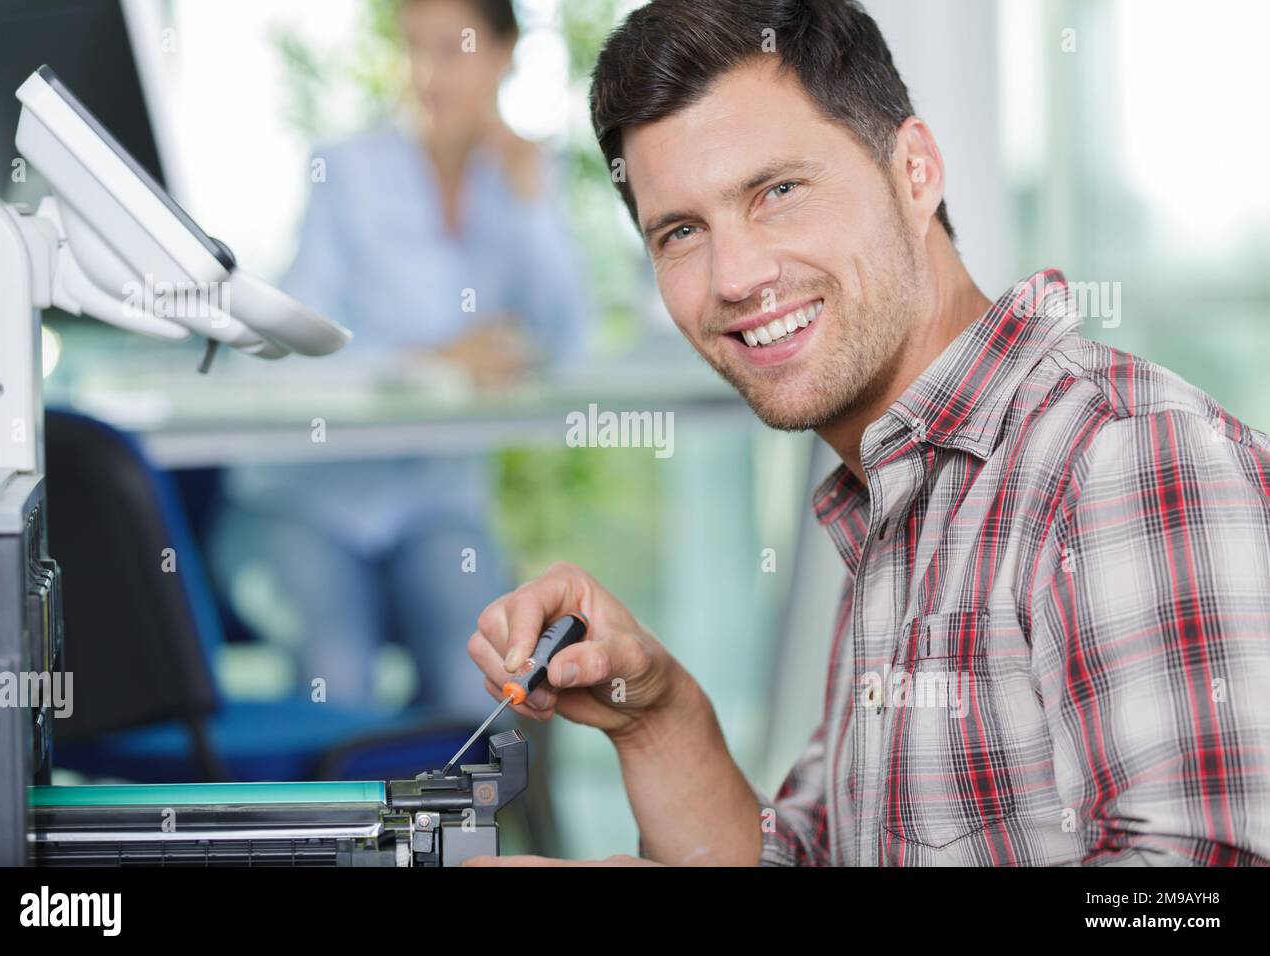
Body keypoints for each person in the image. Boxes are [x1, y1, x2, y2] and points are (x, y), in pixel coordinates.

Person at [464, 0, 1270, 865]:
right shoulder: (900, 500)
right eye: (682, 231)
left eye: (777, 191)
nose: (736, 277)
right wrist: (658, 716)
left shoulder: (1123, 458)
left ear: (916, 170)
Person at [209, 0, 587, 720]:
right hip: (308, 500)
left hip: (433, 504)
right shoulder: (345, 170)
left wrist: (534, 202)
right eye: (414, 48)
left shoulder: (523, 180)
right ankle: (334, 836)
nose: (426, 74)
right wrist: (436, 361)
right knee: (337, 676)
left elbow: (564, 343)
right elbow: (293, 349)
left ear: (504, 55)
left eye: (453, 49)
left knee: (482, 682)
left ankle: (463, 836)